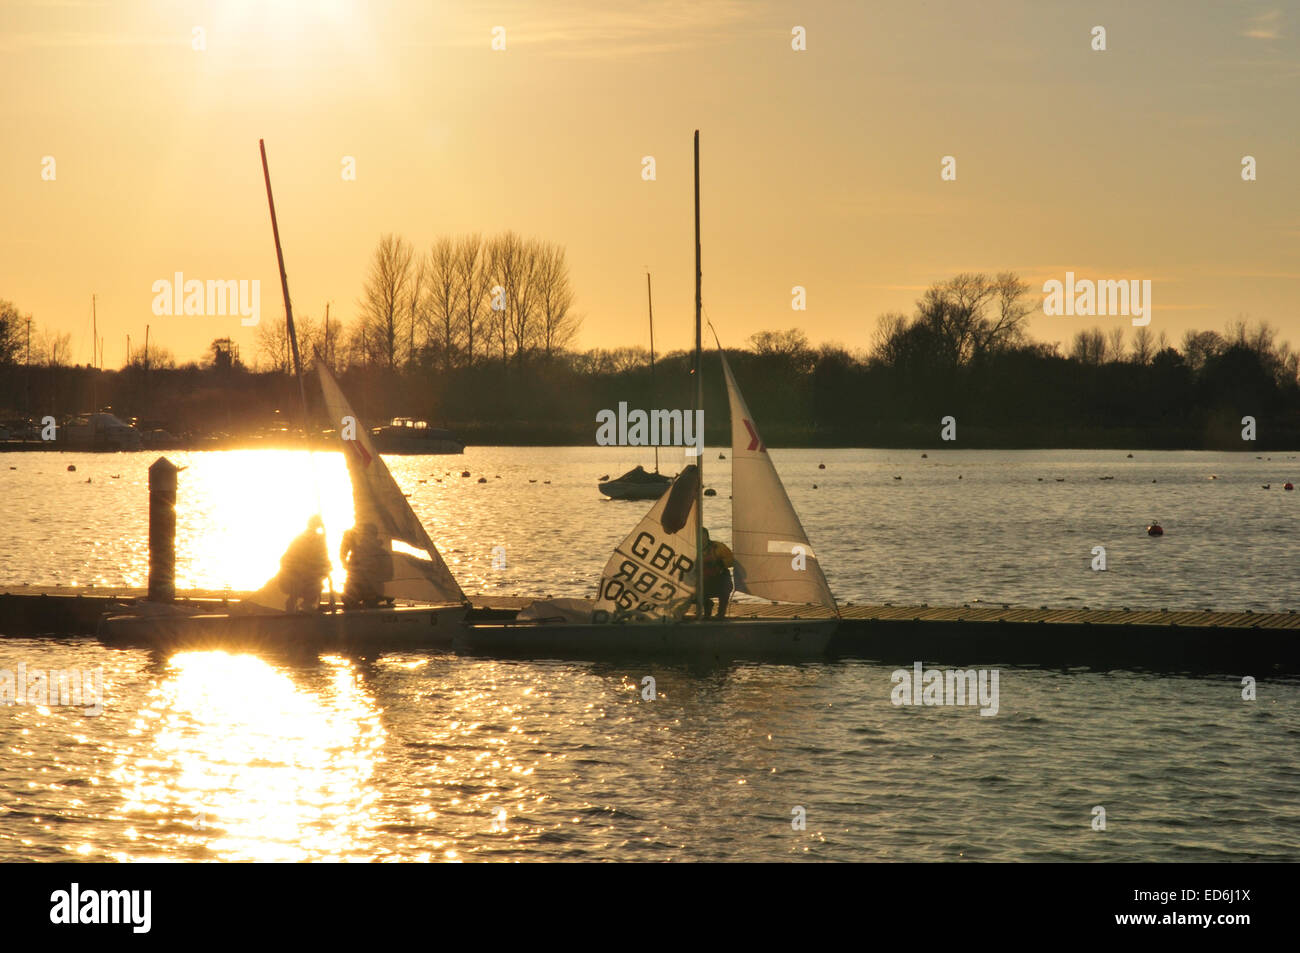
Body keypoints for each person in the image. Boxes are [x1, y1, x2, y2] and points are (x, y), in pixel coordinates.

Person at [278, 514, 330, 612]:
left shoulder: (319, 540)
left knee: (315, 585)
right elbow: (287, 560)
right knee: (307, 585)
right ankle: (295, 607)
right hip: (293, 578)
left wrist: (325, 568)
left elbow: (323, 561)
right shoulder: (303, 539)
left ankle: (306, 606)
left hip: (307, 578)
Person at [339, 521, 393, 608]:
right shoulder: (356, 552)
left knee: (371, 598)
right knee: (349, 597)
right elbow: (344, 561)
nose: (366, 538)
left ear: (374, 536)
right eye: (365, 535)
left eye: (368, 535)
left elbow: (389, 575)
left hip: (373, 591)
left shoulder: (382, 553)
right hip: (356, 590)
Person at [700, 528, 734, 618]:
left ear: (707, 537)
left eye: (703, 537)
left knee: (725, 589)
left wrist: (721, 563)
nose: (702, 539)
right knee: (694, 591)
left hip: (719, 578)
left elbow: (732, 560)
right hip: (703, 580)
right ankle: (707, 607)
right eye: (699, 537)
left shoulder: (718, 547)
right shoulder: (691, 549)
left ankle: (721, 612)